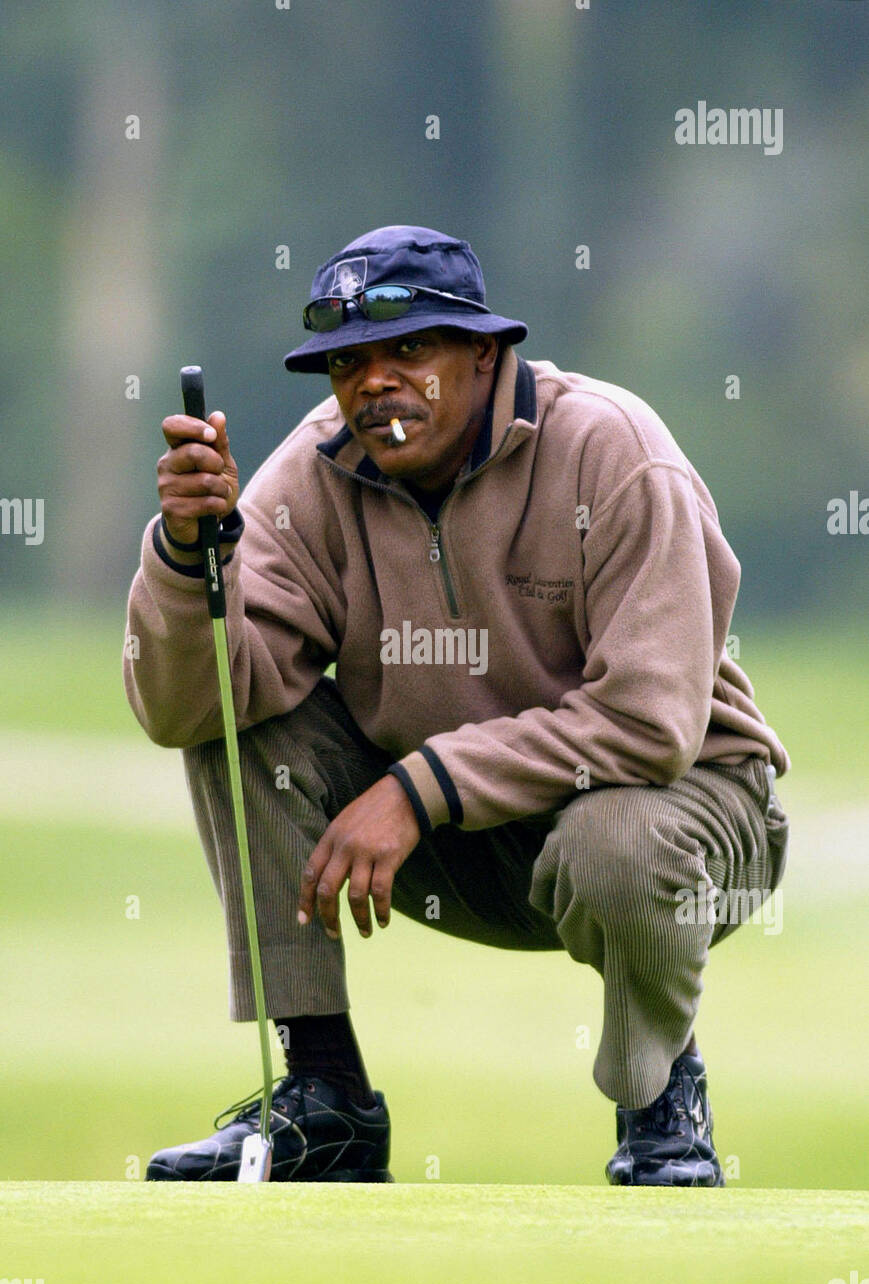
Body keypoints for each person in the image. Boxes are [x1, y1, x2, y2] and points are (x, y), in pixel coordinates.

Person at [123, 224, 790, 1185]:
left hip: (687, 814)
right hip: (470, 837)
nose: (374, 382)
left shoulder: (613, 450)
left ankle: (660, 1107)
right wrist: (186, 557)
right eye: (347, 362)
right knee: (245, 719)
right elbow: (187, 712)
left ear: (485, 353)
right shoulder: (309, 477)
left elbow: (651, 724)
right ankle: (324, 1099)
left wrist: (417, 789)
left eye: (410, 349)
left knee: (613, 841)